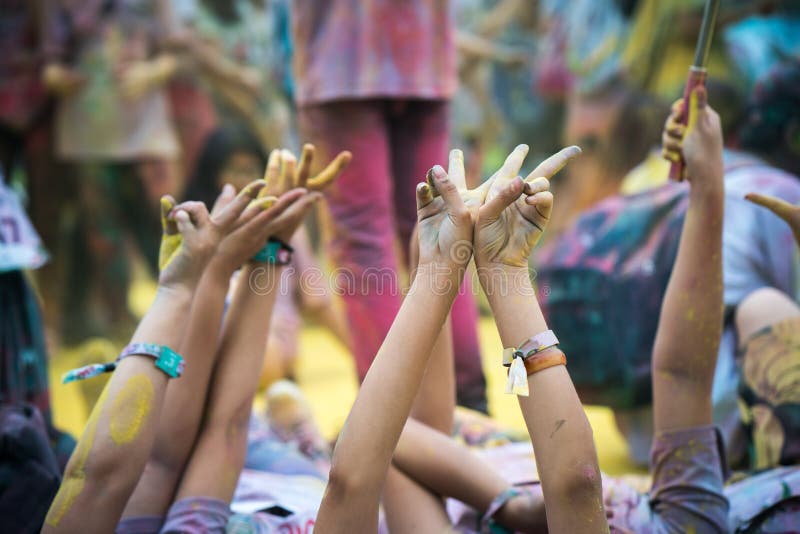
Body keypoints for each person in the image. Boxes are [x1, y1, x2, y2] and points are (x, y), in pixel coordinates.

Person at [291, 0, 489, 411]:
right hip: (422, 52)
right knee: (439, 225)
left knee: (363, 239)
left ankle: (391, 413)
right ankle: (469, 398)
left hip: (341, 58)